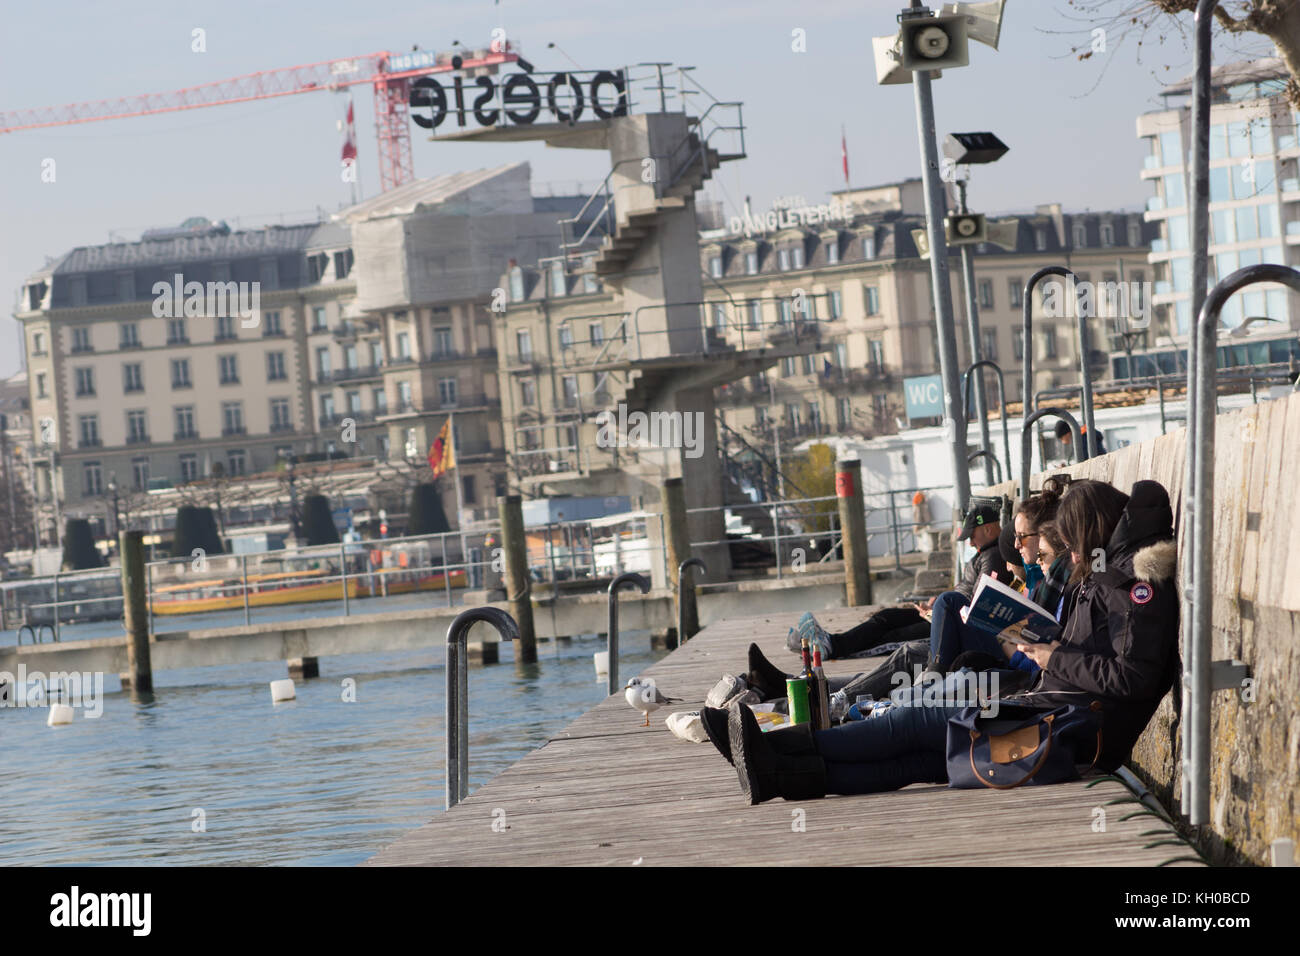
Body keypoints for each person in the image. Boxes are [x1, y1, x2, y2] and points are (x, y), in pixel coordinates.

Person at [713, 478, 1180, 804]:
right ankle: (775, 773)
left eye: (1073, 538)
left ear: (1095, 531)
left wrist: (1053, 653)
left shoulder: (1135, 592)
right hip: (1049, 712)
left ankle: (778, 750)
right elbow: (1094, 656)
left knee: (911, 726)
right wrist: (1039, 641)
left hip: (1064, 730)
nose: (1069, 549)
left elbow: (1131, 677)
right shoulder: (1104, 580)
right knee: (917, 761)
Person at [789, 502, 1011, 662]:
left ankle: (830, 649)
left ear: (989, 528)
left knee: (891, 638)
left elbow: (983, 602)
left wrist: (942, 609)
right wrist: (937, 604)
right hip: (943, 614)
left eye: (972, 536)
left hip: (952, 624)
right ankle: (832, 642)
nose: (970, 543)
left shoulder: (994, 557)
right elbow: (968, 591)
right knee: (885, 617)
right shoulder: (986, 553)